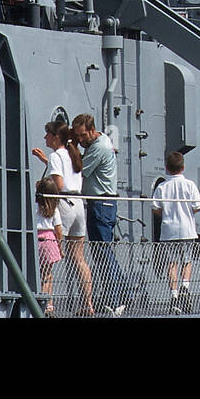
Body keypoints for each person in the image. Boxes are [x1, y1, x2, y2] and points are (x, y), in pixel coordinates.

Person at [34, 122, 93, 317]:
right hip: (78, 204)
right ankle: (87, 305)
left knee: (47, 262)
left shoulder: (56, 156)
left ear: (56, 137)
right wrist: (46, 161)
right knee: (79, 258)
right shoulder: (72, 153)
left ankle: (48, 305)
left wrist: (43, 187)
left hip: (64, 205)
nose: (45, 138)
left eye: (47, 135)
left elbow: (58, 183)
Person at [73, 113, 125, 315]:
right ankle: (123, 293)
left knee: (103, 252)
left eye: (82, 135)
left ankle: (113, 300)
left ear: (92, 130)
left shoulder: (98, 148)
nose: (80, 140)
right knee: (105, 252)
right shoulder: (102, 140)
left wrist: (71, 147)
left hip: (101, 203)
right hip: (104, 203)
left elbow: (81, 170)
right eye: (77, 136)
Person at [151, 150, 200, 314]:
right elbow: (197, 206)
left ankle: (173, 295)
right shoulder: (190, 185)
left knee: (171, 263)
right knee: (186, 261)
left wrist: (167, 213)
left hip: (168, 230)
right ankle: (185, 287)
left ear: (167, 168)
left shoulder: (162, 187)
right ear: (183, 167)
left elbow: (155, 208)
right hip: (187, 229)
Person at [35, 176, 63, 316]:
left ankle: (39, 301)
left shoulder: (34, 207)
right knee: (47, 275)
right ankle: (48, 305)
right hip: (48, 241)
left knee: (36, 273)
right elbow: (58, 231)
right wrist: (61, 247)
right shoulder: (54, 210)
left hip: (35, 240)